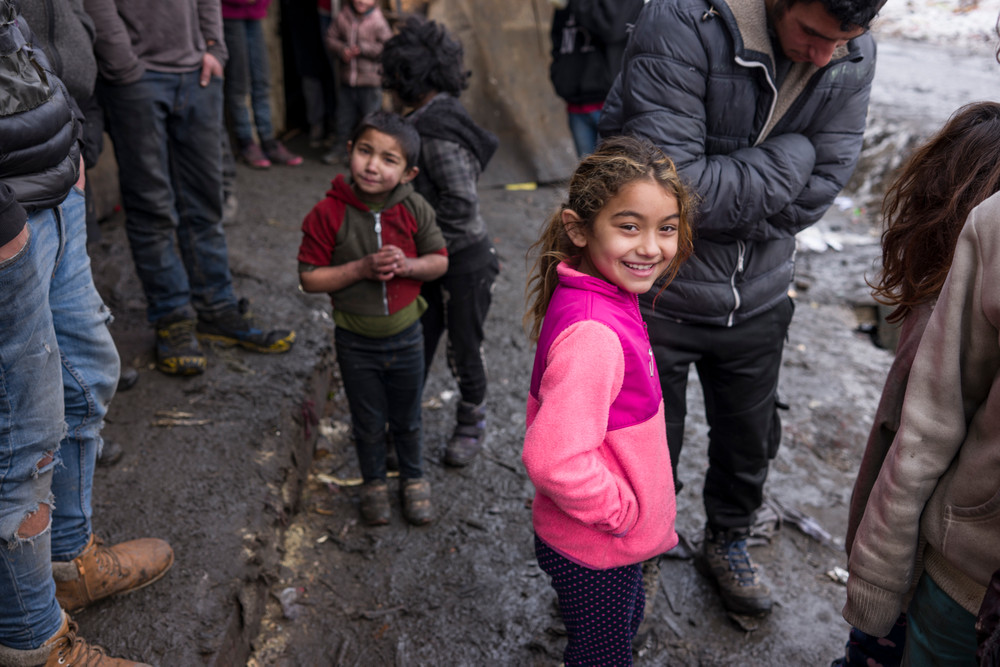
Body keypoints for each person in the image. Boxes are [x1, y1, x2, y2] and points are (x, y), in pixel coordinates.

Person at [598, 0, 883, 615]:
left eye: (844, 40)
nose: (825, 54)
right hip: (658, 294)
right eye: (811, 32)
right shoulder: (683, 21)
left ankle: (727, 538)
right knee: (644, 442)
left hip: (759, 295)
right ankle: (640, 550)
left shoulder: (852, 50)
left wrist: (728, 193)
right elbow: (669, 188)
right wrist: (793, 156)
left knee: (749, 441)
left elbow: (826, 182)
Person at [0, 3, 173, 664]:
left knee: (86, 371)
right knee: (21, 435)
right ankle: (33, 640)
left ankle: (69, 558)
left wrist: (66, 134)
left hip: (47, 177)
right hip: (9, 211)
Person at [828, 101, 1000, 666]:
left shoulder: (940, 295)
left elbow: (896, 436)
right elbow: (903, 436)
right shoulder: (946, 306)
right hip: (925, 558)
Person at [521, 135, 693, 665]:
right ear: (578, 229)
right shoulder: (595, 332)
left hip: (602, 545)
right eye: (629, 226)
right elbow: (554, 458)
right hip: (596, 547)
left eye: (666, 228)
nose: (651, 247)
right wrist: (620, 514)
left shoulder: (600, 294)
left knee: (616, 630)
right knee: (602, 655)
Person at [83, 0, 296, 377]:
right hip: (137, 77)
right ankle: (173, 317)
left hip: (198, 73)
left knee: (205, 199)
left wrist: (214, 47)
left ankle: (216, 307)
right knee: (152, 205)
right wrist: (124, 64)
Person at [297, 111, 448, 526]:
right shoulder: (327, 214)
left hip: (407, 337)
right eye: (365, 151)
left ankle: (414, 479)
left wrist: (408, 266)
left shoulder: (414, 208)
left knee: (408, 416)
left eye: (388, 159)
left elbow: (438, 262)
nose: (372, 165)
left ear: (407, 172)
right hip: (354, 341)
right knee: (367, 419)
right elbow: (310, 278)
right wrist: (361, 269)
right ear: (350, 151)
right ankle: (374, 484)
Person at [381, 16, 500, 467]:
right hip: (431, 259)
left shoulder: (436, 130)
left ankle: (471, 419)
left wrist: (426, 247)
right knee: (416, 344)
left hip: (463, 262)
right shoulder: (431, 115)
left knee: (464, 348)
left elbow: (461, 202)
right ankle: (401, 427)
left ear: (405, 78)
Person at [548, 0, 644, 156]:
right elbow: (558, 40)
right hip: (577, 103)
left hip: (613, 105)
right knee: (587, 176)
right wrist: (559, 75)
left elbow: (612, 27)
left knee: (618, 172)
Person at [222, 0, 303, 169]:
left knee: (261, 80)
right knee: (239, 84)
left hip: (255, 13)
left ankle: (268, 140)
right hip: (230, 14)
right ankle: (246, 142)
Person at [322, 0, 391, 165]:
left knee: (370, 121)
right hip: (348, 80)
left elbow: (387, 47)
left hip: (370, 82)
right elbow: (330, 38)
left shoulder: (378, 20)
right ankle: (341, 149)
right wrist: (342, 49)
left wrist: (363, 48)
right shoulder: (343, 16)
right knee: (344, 118)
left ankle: (367, 156)